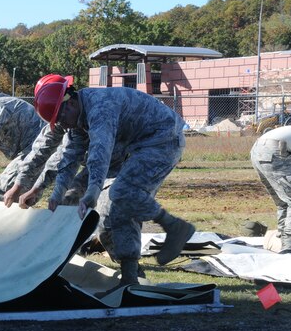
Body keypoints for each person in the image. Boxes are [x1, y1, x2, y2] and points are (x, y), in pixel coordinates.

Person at [19, 75, 195, 287]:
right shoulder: (76, 119)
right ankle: (54, 265)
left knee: (119, 195)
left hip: (161, 139)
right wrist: (54, 195)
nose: (63, 124)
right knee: (70, 199)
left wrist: (92, 192)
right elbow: (69, 157)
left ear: (71, 103)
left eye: (61, 117)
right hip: (127, 150)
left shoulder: (100, 107)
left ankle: (172, 227)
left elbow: (99, 153)